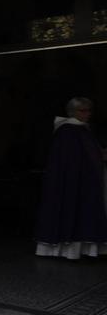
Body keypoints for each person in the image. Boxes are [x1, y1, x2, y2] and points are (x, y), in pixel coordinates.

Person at [35, 97, 107, 259]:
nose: (87, 114)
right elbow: (70, 159)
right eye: (83, 110)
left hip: (85, 180)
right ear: (72, 112)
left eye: (89, 110)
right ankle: (68, 251)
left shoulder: (83, 129)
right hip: (72, 181)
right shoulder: (68, 131)